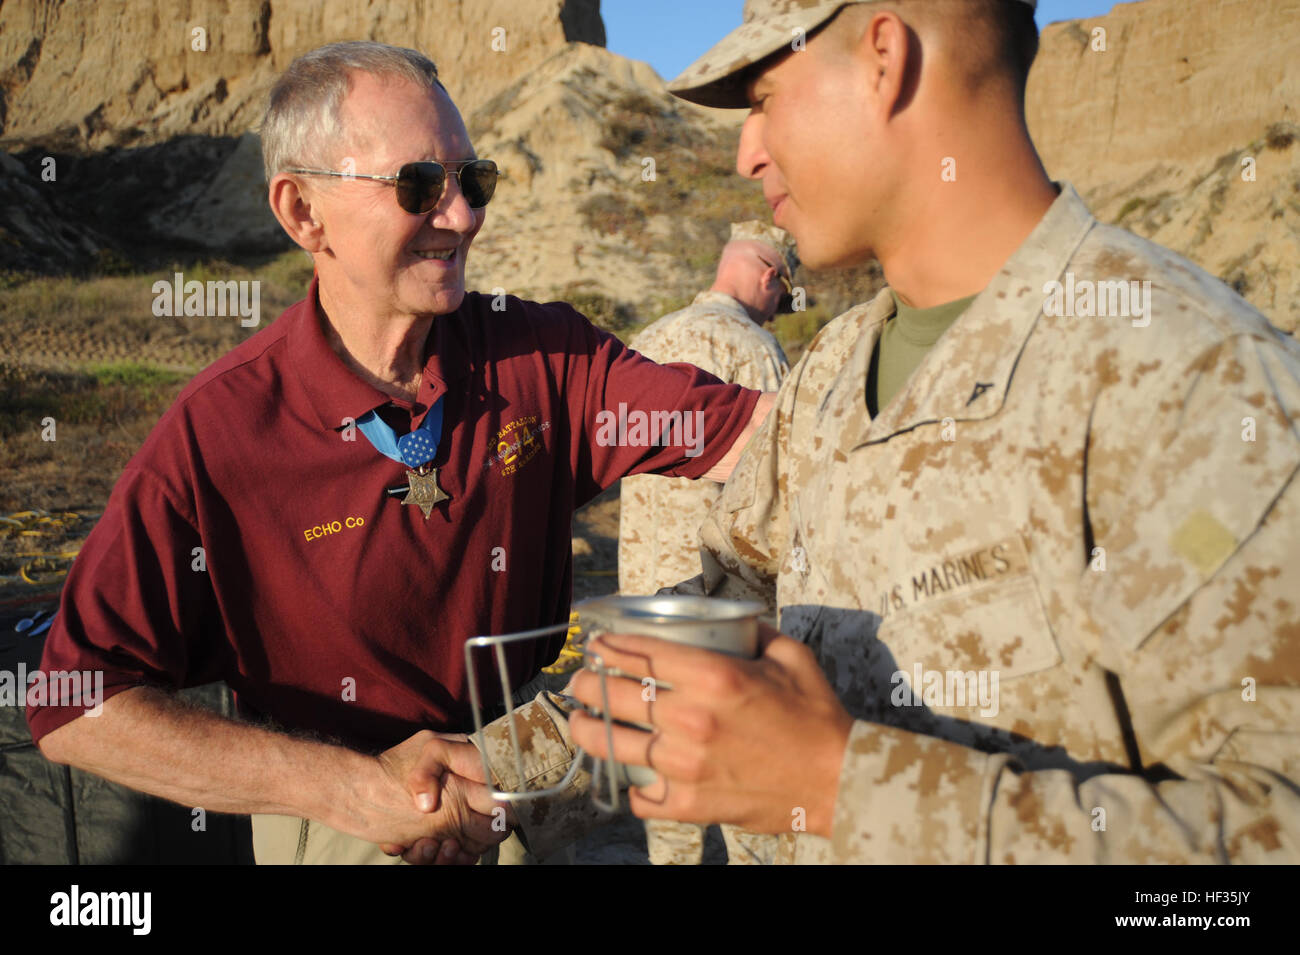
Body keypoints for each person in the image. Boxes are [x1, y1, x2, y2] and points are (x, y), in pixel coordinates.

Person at [474, 0, 1300, 864]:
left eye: (762, 98)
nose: (746, 151)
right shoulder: (831, 373)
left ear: (884, 58)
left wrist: (841, 787)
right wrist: (489, 776)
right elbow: (701, 636)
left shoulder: (1194, 381)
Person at [24, 41, 774, 866]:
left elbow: (761, 437)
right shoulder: (220, 432)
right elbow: (73, 703)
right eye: (419, 186)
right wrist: (361, 790)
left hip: (530, 784)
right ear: (304, 213)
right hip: (346, 823)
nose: (461, 216)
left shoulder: (543, 355)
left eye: (472, 180)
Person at [618, 220, 794, 864]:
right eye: (783, 291)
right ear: (770, 276)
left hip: (645, 605)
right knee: (745, 785)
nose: (779, 305)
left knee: (665, 773)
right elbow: (782, 487)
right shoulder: (758, 353)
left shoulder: (647, 340)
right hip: (723, 604)